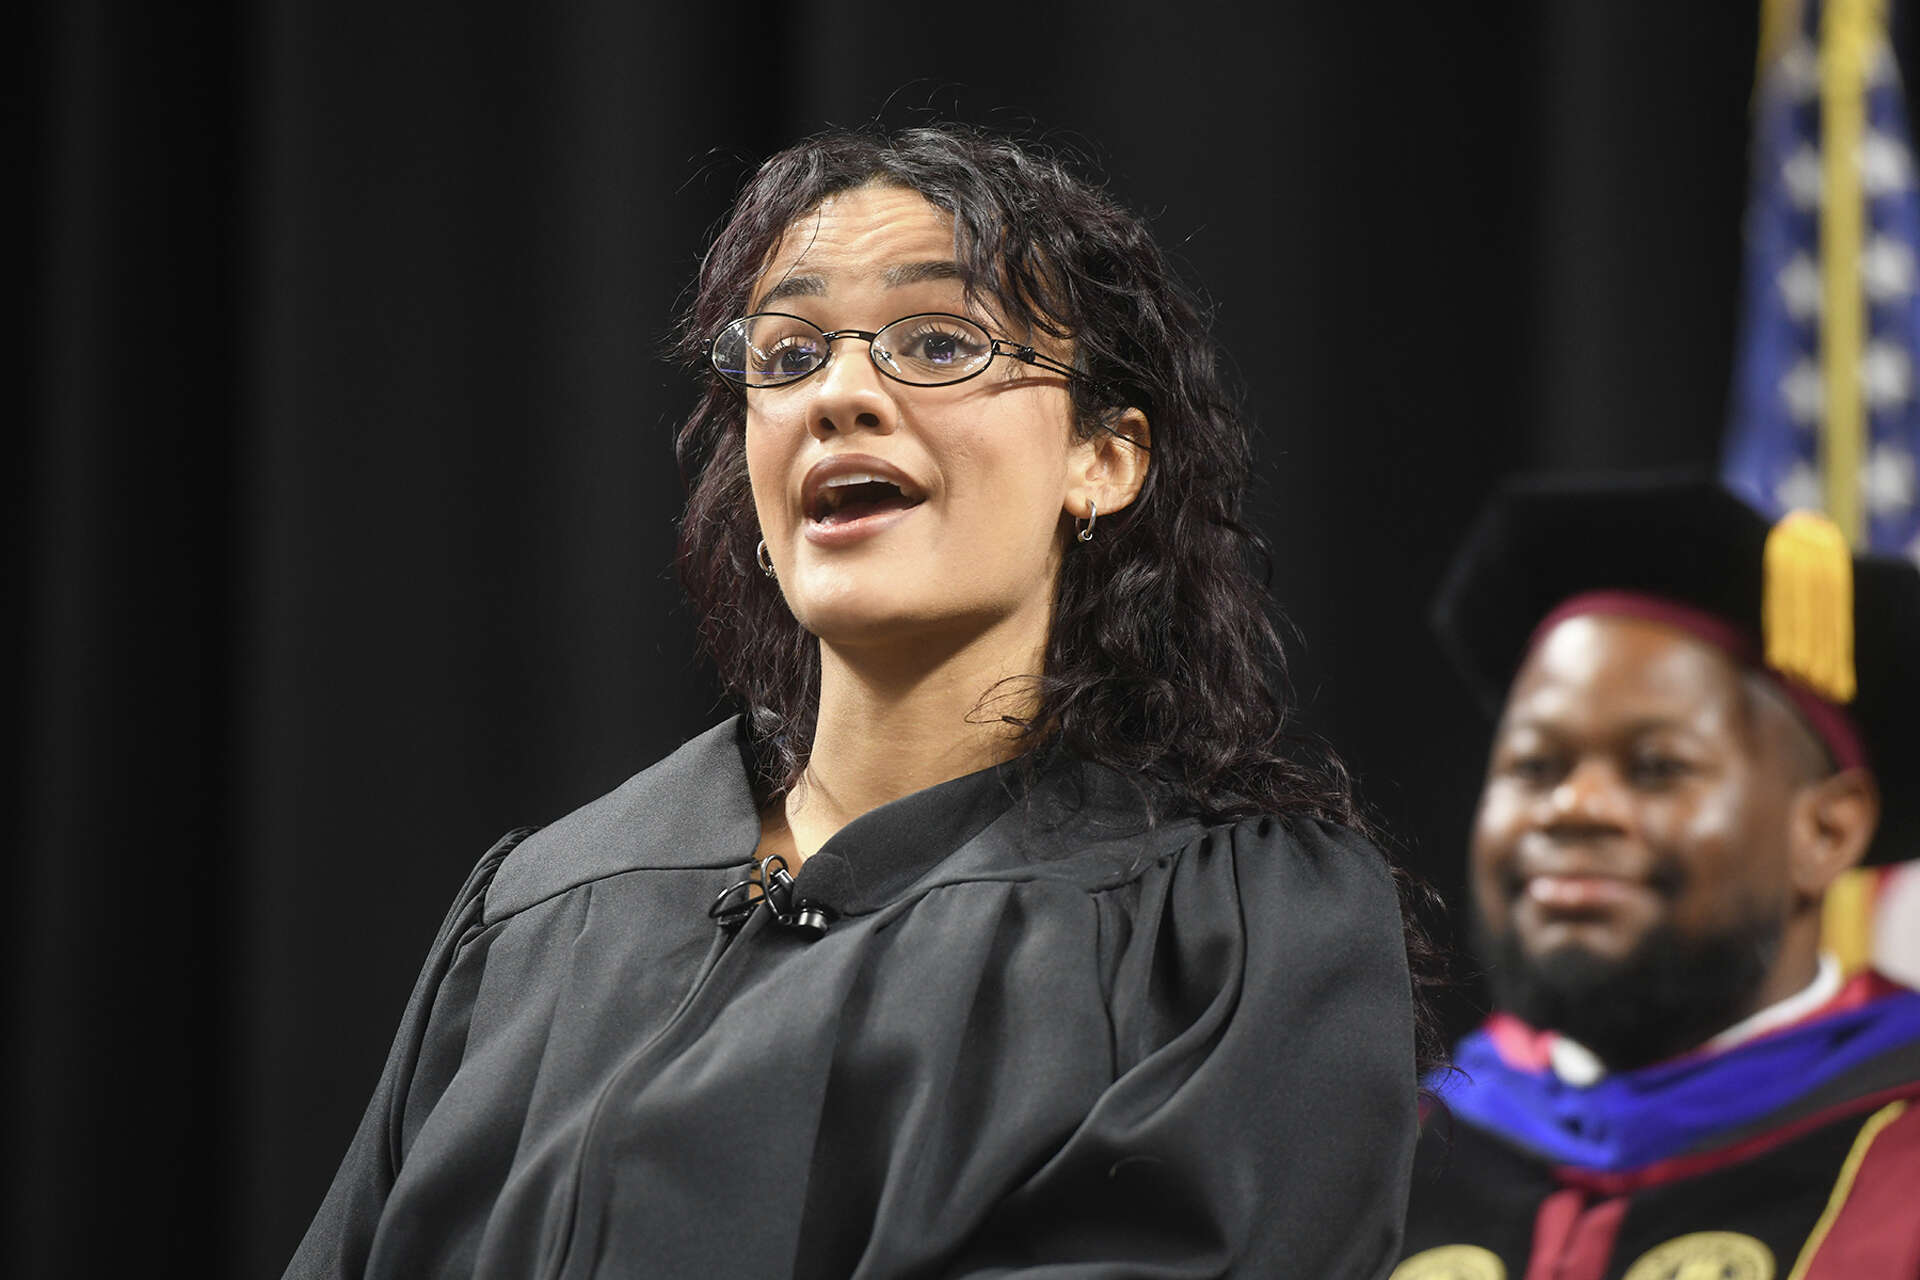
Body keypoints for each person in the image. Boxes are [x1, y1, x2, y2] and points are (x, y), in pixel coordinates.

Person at [287, 125, 1436, 1279]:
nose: (840, 392)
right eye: (786, 355)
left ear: (1105, 457)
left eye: (937, 340)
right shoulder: (540, 912)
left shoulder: (1227, 930)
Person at [1394, 474, 1920, 1280]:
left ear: (1825, 829)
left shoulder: (1902, 1156)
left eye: (1656, 767)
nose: (1573, 806)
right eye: (1534, 765)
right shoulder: (1393, 1153)